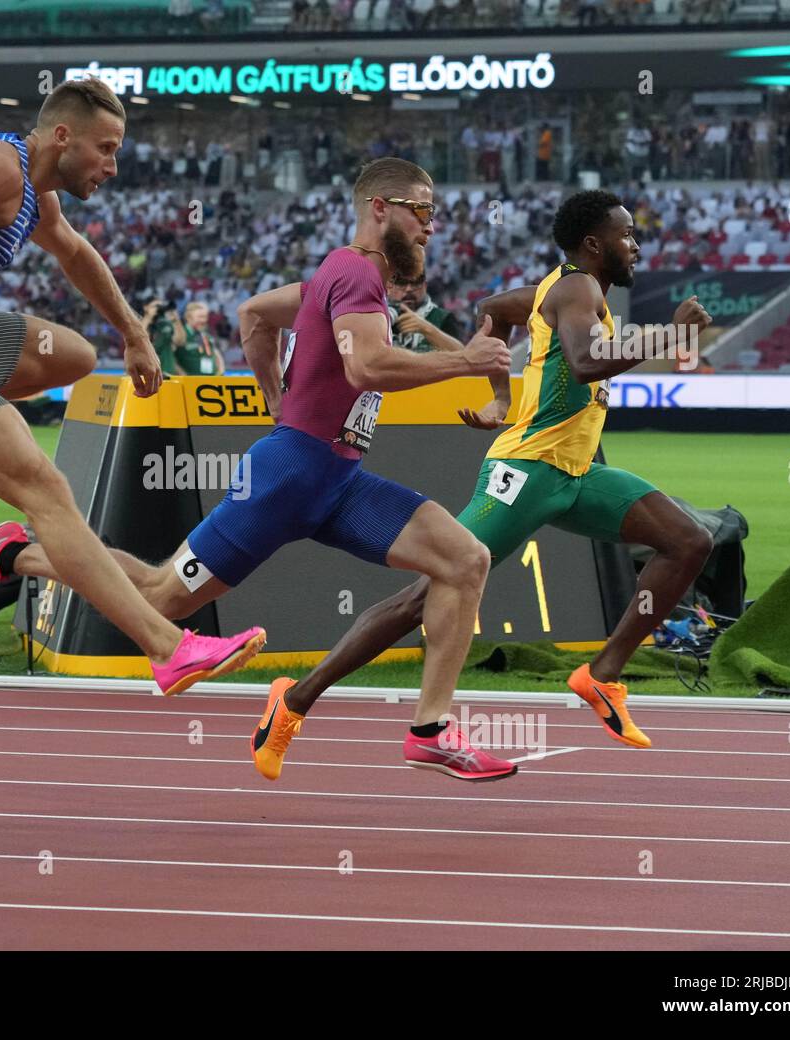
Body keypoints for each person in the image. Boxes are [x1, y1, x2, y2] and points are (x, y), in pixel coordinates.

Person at [0, 158, 517, 782]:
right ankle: (14, 554)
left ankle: (430, 731)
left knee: (465, 560)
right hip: (285, 477)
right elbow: (368, 369)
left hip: (338, 480)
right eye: (422, 209)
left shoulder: (344, 277)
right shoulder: (353, 271)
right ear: (380, 208)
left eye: (435, 213)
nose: (432, 225)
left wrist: (276, 396)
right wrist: (464, 362)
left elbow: (252, 315)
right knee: (163, 598)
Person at [263, 190, 715, 769]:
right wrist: (669, 335)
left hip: (575, 473)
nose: (637, 245)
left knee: (689, 540)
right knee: (423, 598)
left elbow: (495, 307)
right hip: (525, 473)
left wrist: (501, 394)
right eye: (627, 235)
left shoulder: (574, 291)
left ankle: (602, 675)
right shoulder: (575, 286)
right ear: (594, 244)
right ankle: (294, 700)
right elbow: (584, 364)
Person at [0, 77, 267, 696]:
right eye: (107, 148)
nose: (112, 167)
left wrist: (134, 334)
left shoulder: (34, 191)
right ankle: (168, 648)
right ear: (63, 136)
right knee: (46, 490)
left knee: (71, 354)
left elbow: (74, 254)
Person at [389, 260, 465, 354]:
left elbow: (462, 356)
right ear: (389, 288)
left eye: (415, 282)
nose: (409, 289)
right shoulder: (378, 318)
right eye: (401, 283)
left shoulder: (442, 318)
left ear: (425, 286)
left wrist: (427, 329)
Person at [175, 301, 224, 375]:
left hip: (211, 381)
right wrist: (183, 376)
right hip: (191, 383)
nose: (204, 320)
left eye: (205, 317)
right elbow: (172, 359)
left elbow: (216, 354)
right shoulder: (180, 334)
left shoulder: (206, 335)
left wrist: (220, 372)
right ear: (188, 317)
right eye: (200, 317)